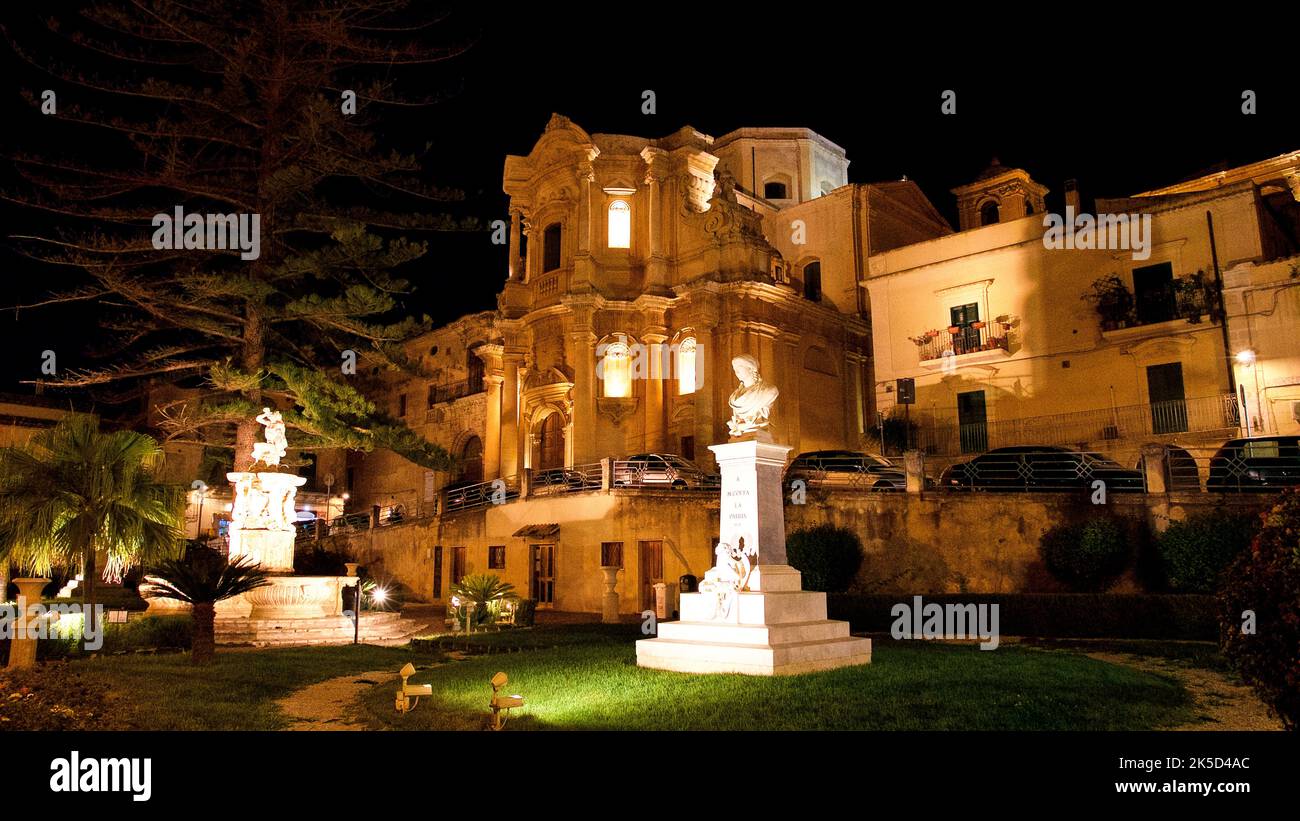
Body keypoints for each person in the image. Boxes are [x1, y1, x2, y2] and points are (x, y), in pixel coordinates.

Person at [726, 354, 779, 436]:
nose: (737, 372)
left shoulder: (769, 391)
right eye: (735, 369)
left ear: (751, 368)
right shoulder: (734, 397)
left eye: (739, 368)